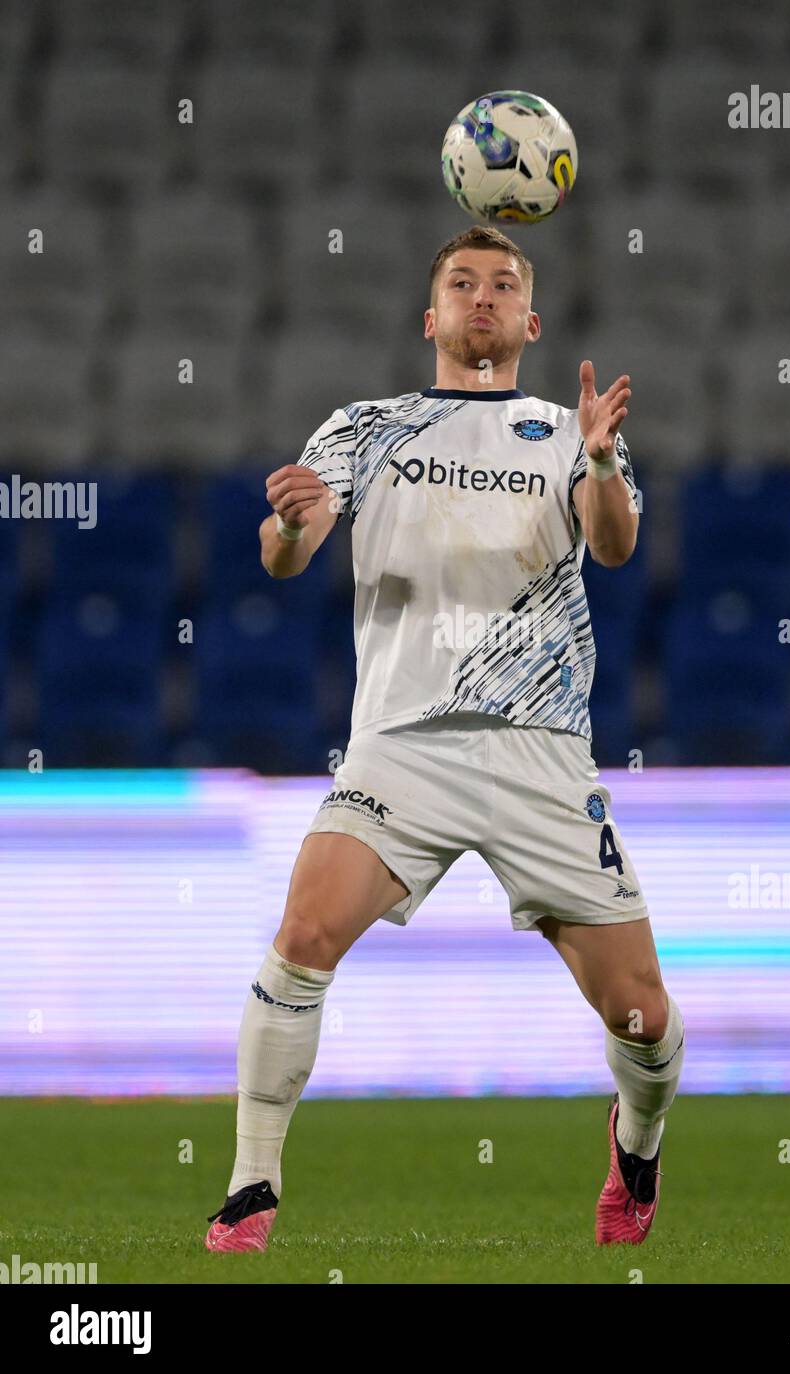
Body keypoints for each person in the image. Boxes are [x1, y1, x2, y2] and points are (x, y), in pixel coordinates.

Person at [204, 225, 685, 1253]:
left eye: (503, 284)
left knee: (641, 1017)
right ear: (430, 318)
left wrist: (600, 461)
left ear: (529, 320)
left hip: (540, 750)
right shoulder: (366, 427)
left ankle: (635, 1146)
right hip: (401, 745)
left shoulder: (570, 429)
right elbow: (290, 548)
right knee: (302, 937)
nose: (482, 296)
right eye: (461, 283)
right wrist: (288, 526)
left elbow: (614, 543)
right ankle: (249, 1186)